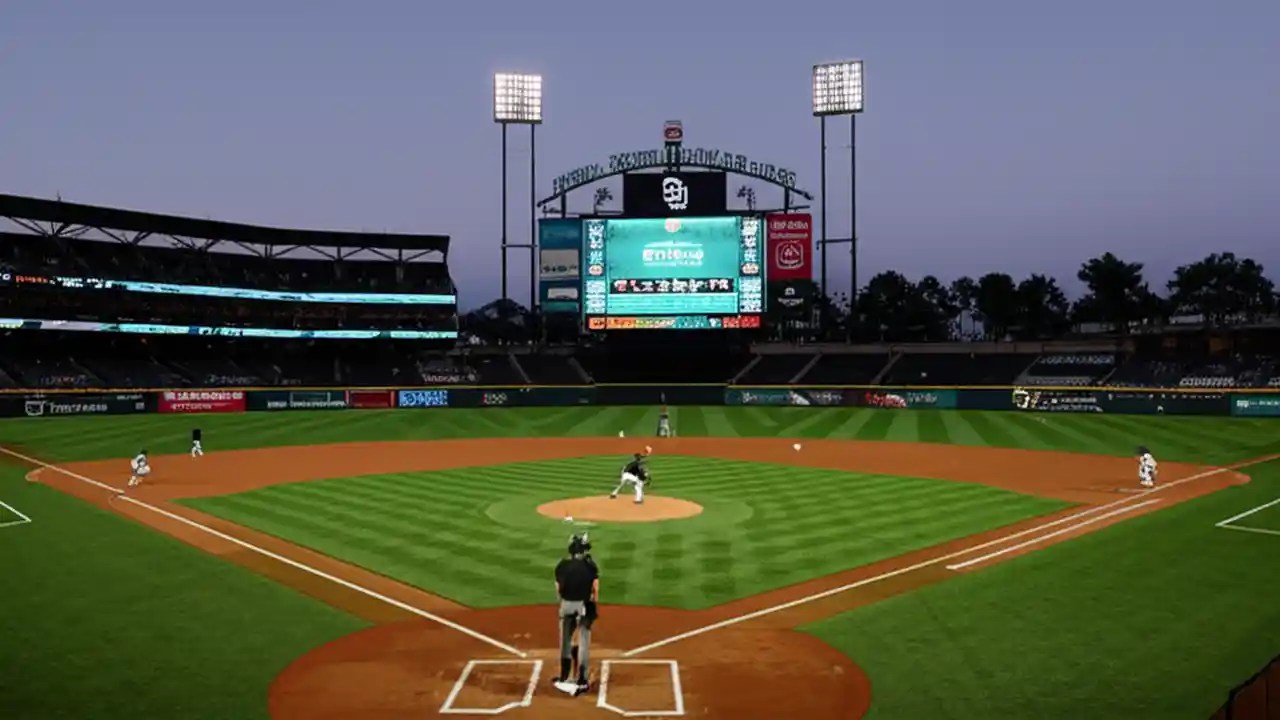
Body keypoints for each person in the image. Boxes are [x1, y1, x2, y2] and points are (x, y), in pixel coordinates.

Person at [553, 532, 598, 697]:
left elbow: (558, 589)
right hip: (583, 605)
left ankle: (565, 676)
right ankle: (582, 679)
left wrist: (564, 603)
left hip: (566, 605)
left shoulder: (562, 565)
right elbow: (595, 588)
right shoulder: (590, 565)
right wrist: (592, 604)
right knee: (583, 641)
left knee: (565, 640)